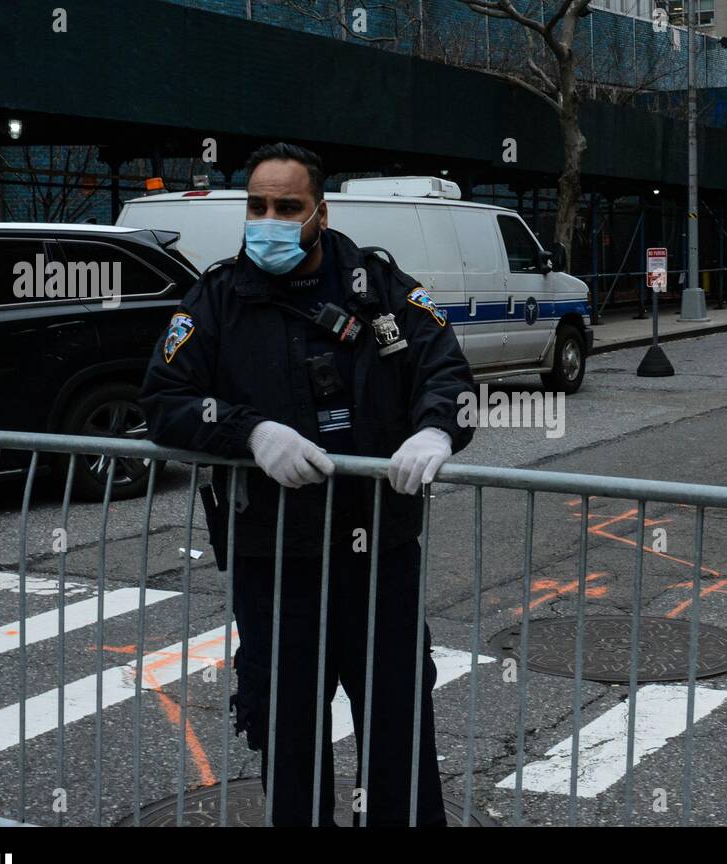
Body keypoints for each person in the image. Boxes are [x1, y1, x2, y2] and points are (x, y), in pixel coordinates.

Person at [140, 142, 476, 826]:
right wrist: (247, 431)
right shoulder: (216, 300)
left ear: (319, 212)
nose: (269, 219)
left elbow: (446, 370)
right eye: (257, 205)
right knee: (288, 728)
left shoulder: (378, 287)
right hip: (275, 558)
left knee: (398, 720)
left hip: (379, 552)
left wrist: (435, 429)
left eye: (287, 207)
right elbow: (164, 402)